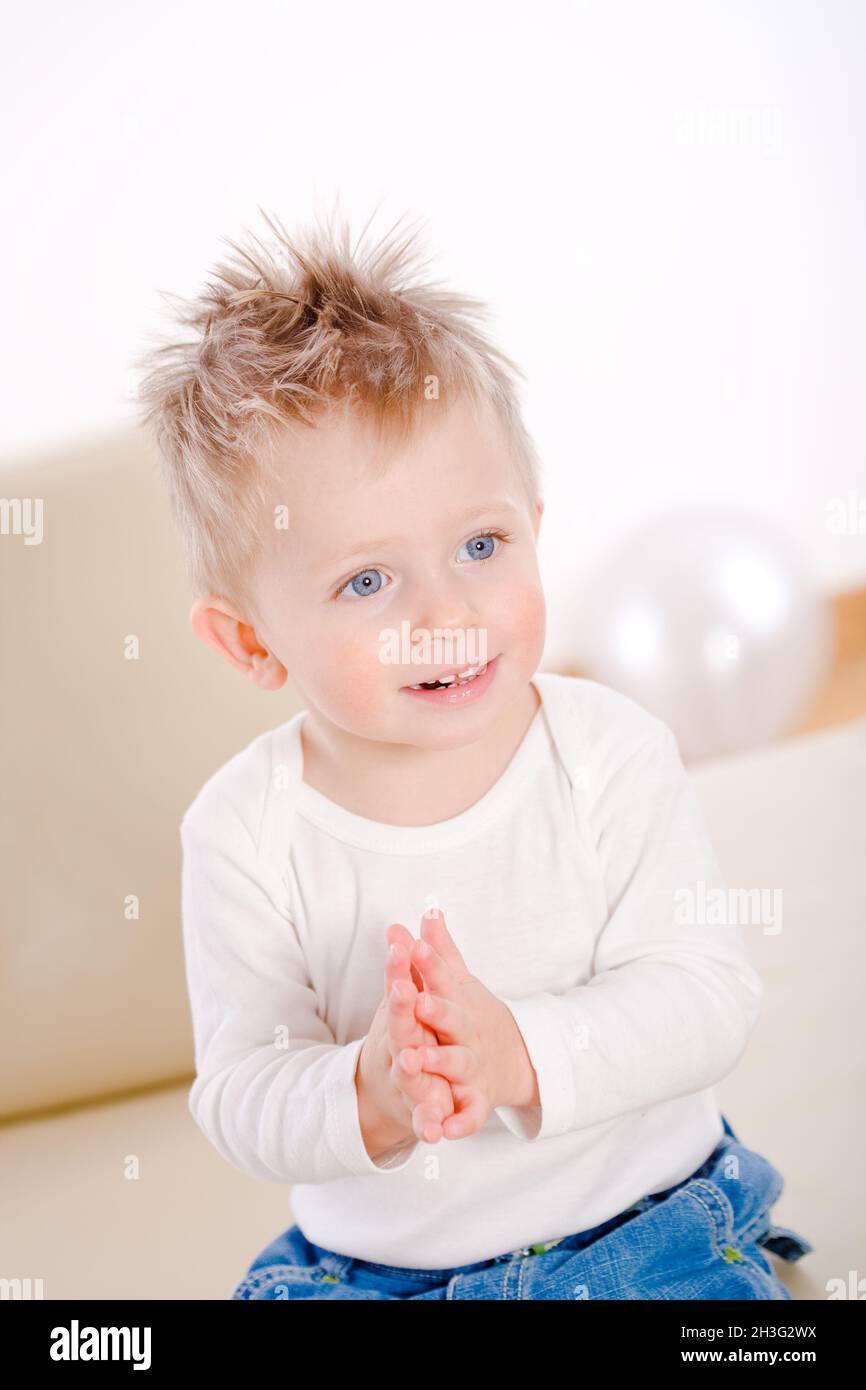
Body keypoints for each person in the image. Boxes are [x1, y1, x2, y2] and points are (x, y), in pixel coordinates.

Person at [134, 206, 813, 1299]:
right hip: (373, 1275)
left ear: (534, 526)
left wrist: (515, 1054)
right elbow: (241, 1091)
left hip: (644, 1236)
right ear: (251, 641)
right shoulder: (244, 829)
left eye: (481, 544)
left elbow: (704, 995)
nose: (447, 609)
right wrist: (366, 1088)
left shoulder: (606, 752)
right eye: (366, 580)